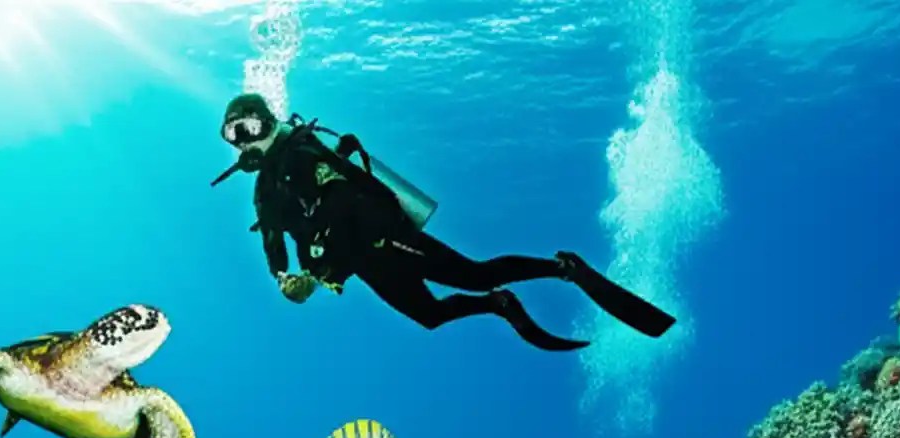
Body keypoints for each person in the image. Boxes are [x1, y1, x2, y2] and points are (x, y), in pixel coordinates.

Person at [211, 93, 676, 351]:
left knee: (475, 273)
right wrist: (283, 278)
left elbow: (341, 197)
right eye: (232, 135)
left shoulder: (303, 152)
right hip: (364, 265)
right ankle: (499, 305)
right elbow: (272, 238)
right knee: (431, 318)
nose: (242, 142)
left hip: (383, 242)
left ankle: (564, 268)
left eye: (247, 128)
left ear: (268, 121)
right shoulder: (263, 192)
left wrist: (316, 261)